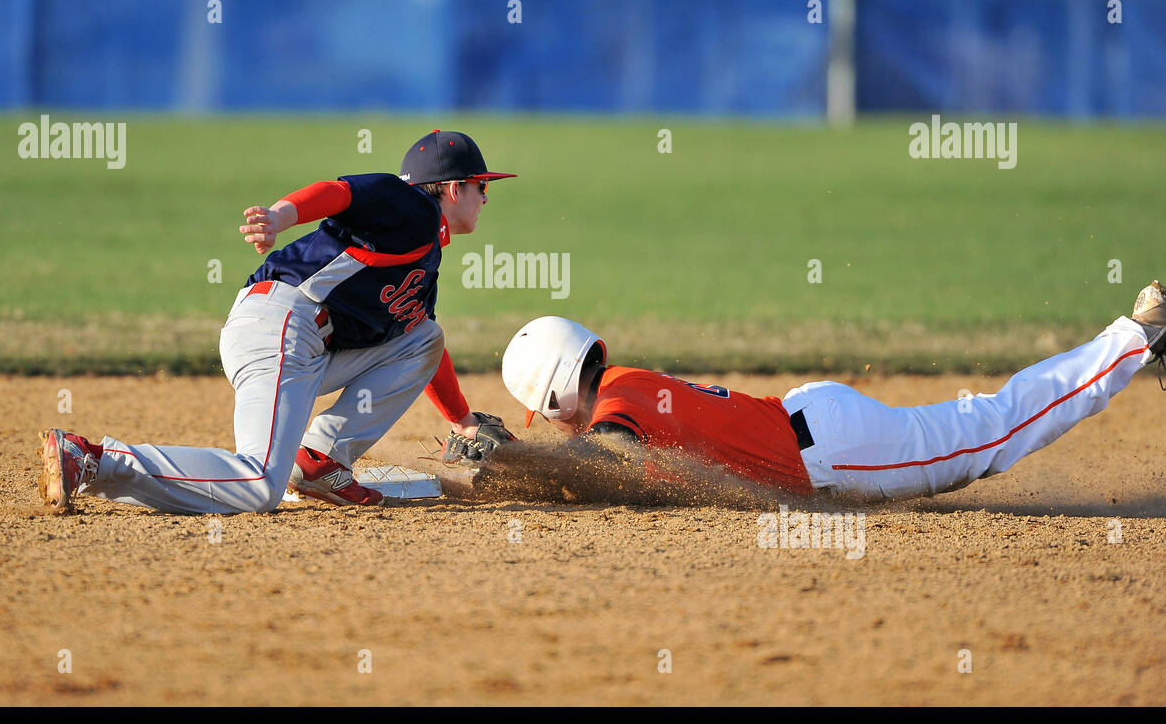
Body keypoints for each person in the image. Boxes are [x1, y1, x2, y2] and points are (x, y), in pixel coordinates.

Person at [37, 130, 516, 513]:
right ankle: (95, 460)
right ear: (454, 187)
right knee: (259, 484)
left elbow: (421, 345)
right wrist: (281, 215)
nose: (486, 198)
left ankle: (321, 461)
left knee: (425, 337)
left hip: (305, 346)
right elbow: (340, 192)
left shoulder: (425, 255)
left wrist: (464, 421)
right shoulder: (409, 205)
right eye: (482, 186)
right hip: (281, 326)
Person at [497, 282, 1166, 502]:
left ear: (556, 397)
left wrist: (504, 462)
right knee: (985, 426)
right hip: (816, 423)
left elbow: (599, 459)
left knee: (992, 431)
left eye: (543, 418)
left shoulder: (619, 407)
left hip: (833, 450)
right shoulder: (625, 385)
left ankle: (1139, 334)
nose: (550, 428)